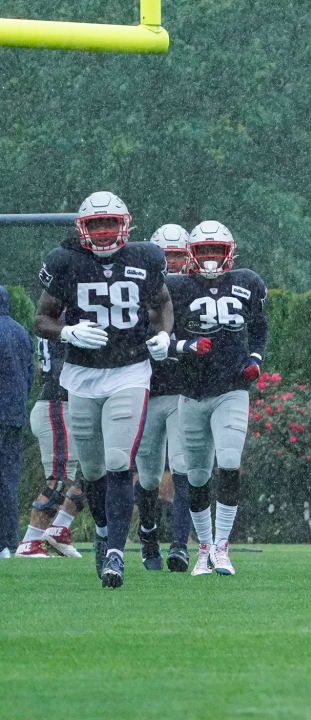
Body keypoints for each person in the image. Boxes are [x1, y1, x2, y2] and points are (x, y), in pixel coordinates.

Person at [32, 191, 174, 587]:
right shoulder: (65, 262)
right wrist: (67, 331)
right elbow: (41, 318)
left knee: (117, 460)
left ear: (125, 224)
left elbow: (162, 304)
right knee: (92, 469)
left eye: (110, 222)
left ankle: (115, 553)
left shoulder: (145, 258)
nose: (104, 231)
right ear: (82, 228)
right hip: (82, 375)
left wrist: (164, 334)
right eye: (96, 224)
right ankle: (101, 531)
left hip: (129, 371)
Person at [168, 220, 268, 577]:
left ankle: (222, 547)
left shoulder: (247, 282)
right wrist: (186, 346)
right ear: (191, 253)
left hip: (231, 389)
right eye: (204, 250)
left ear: (229, 253)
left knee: (228, 462)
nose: (210, 257)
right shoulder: (176, 287)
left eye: (216, 250)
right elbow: (158, 339)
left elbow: (259, 327)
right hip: (191, 392)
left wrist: (255, 359)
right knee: (196, 476)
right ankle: (204, 548)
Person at [133, 224, 208, 572]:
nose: (173, 264)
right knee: (148, 476)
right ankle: (148, 535)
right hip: (148, 391)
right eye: (167, 256)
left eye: (178, 256)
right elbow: (140, 338)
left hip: (182, 392)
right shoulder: (139, 291)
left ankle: (180, 545)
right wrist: (179, 346)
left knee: (182, 468)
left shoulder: (198, 293)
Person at [17, 331, 83, 558]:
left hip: (64, 406)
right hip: (56, 407)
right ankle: (30, 542)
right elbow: (60, 368)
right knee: (59, 480)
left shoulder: (54, 323)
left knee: (90, 479)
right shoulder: (61, 323)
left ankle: (58, 529)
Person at [0, 286, 34, 557]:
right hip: (14, 414)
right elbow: (29, 374)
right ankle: (9, 542)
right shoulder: (21, 332)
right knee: (7, 480)